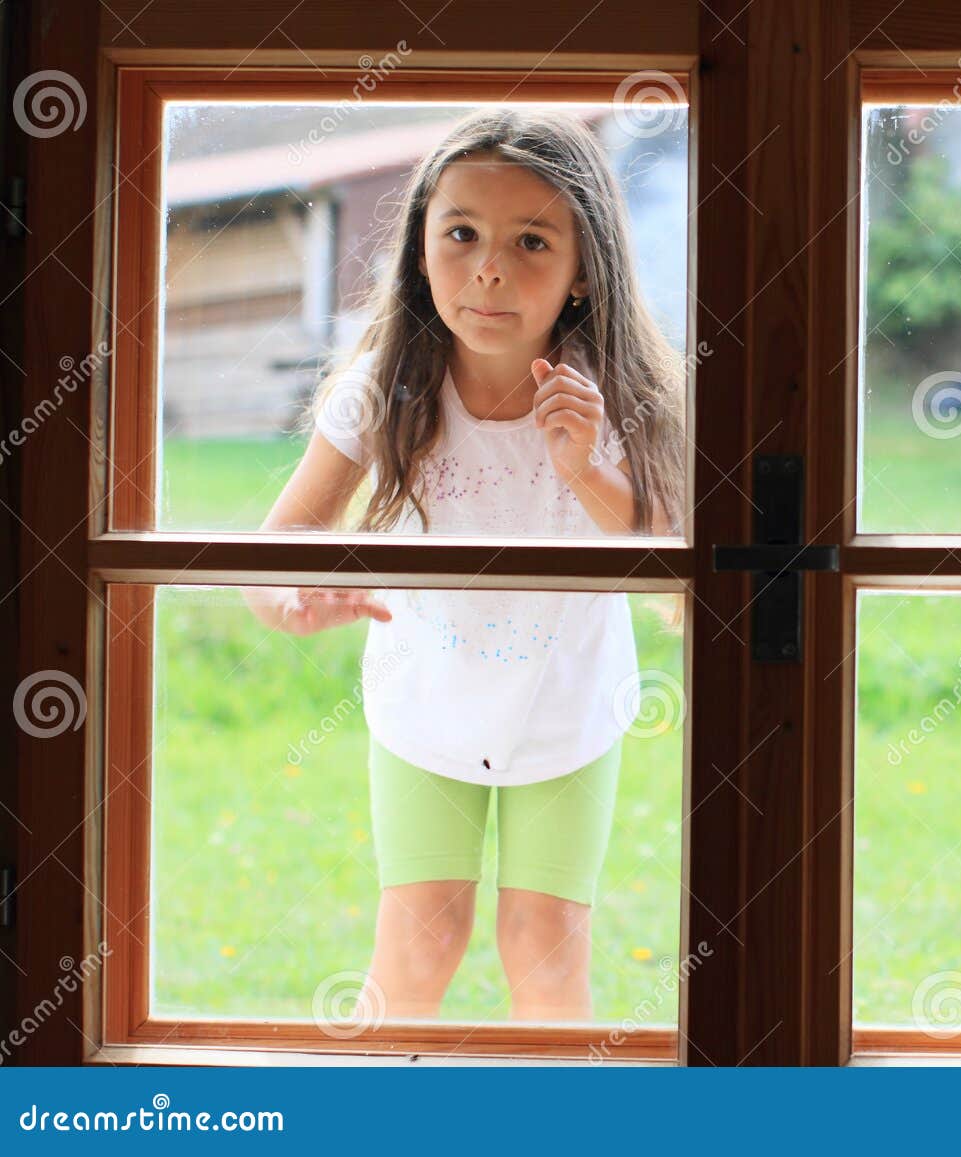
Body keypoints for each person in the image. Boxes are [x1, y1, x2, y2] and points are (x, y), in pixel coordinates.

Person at [243, 108, 687, 1022]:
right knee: (420, 942)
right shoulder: (384, 387)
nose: (489, 268)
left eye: (532, 241)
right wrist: (291, 601)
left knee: (545, 950)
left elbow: (674, 571)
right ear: (420, 249)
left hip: (568, 708)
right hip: (425, 704)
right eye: (461, 234)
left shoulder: (617, 395)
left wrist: (586, 470)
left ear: (583, 270)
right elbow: (271, 555)